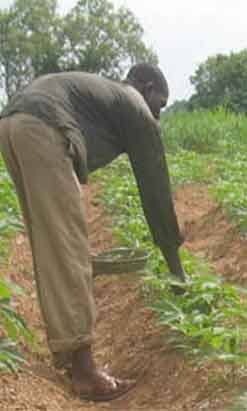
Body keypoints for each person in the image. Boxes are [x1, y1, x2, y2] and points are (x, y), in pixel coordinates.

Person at [0, 64, 187, 401]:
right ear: (146, 88)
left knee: (51, 243)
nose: (158, 115)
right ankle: (85, 374)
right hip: (43, 127)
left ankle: (69, 356)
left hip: (12, 123)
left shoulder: (106, 97)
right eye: (160, 104)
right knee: (68, 249)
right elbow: (157, 195)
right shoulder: (135, 105)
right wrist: (178, 275)